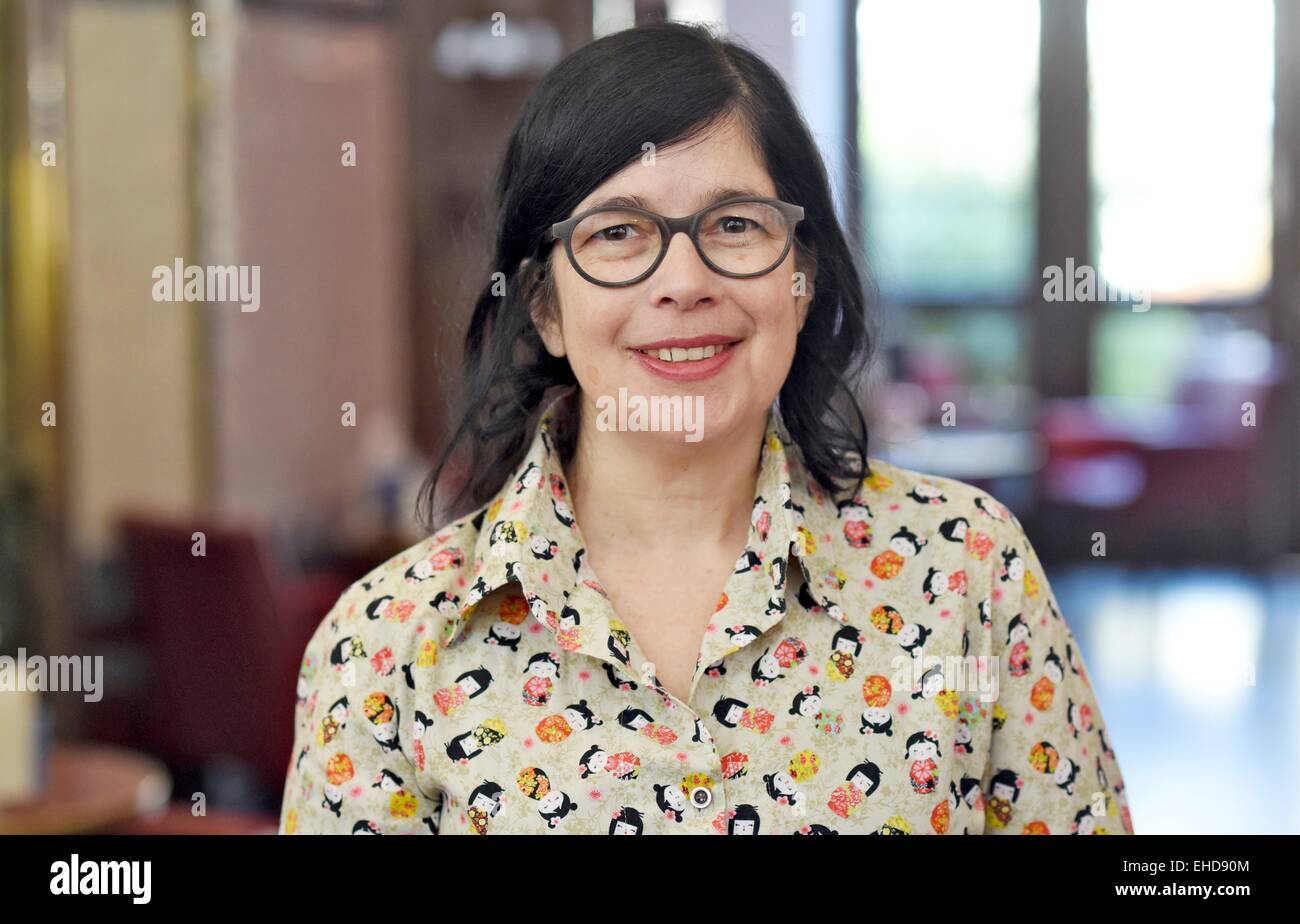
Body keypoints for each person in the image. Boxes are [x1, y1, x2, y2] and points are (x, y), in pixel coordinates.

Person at [278, 20, 1134, 835]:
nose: (683, 281)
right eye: (618, 232)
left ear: (800, 280)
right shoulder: (385, 647)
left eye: (734, 225)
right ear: (543, 307)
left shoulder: (966, 572)